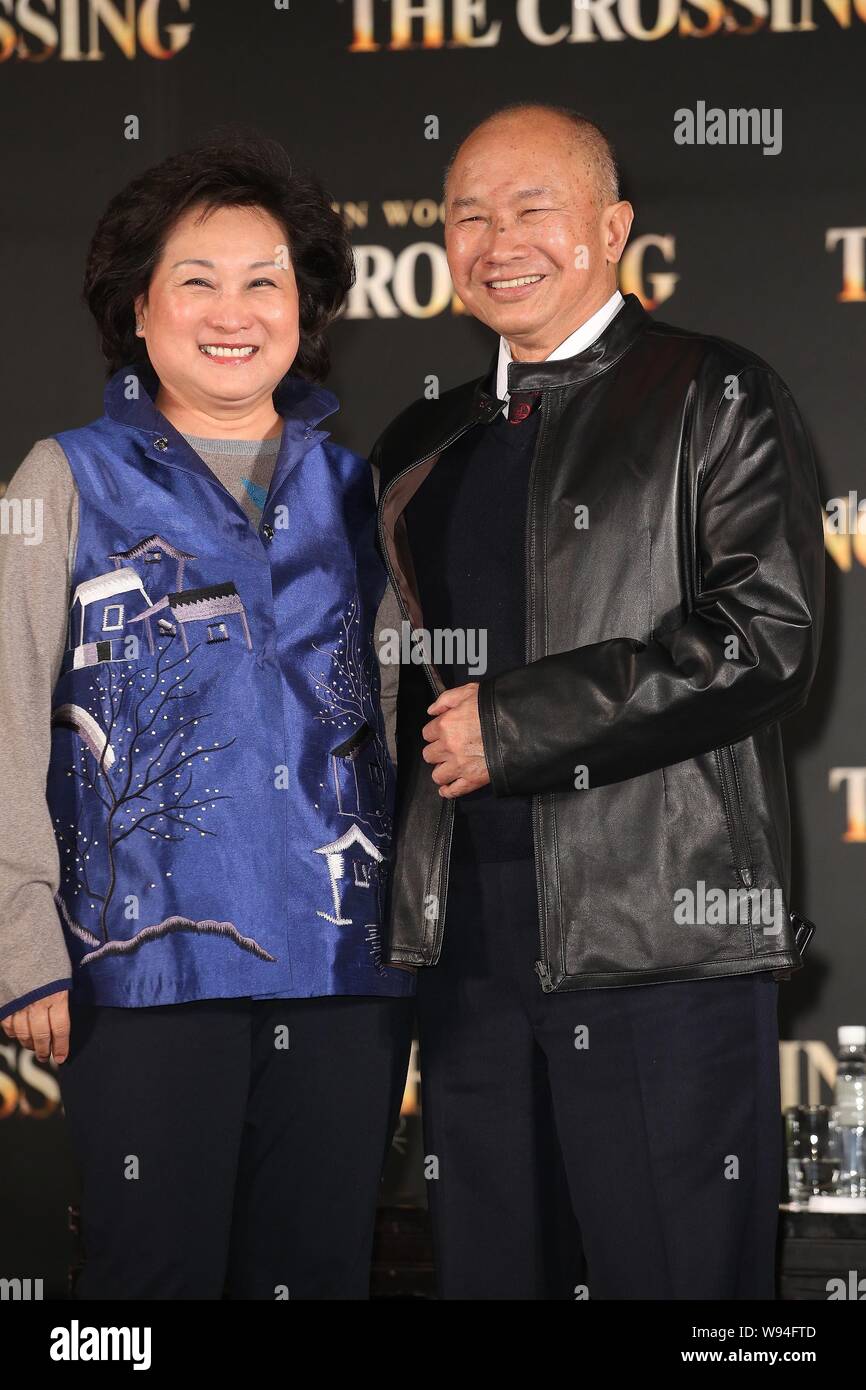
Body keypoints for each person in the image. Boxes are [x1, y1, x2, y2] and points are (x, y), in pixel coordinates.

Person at [372, 102, 825, 1299]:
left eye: (532, 207)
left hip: (654, 943)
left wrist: (514, 724)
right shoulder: (424, 441)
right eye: (467, 213)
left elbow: (761, 635)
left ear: (611, 227)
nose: (495, 238)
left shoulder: (711, 393)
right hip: (465, 958)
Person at [0, 130, 413, 1299]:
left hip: (342, 973)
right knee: (152, 1280)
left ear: (305, 309)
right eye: (197, 280)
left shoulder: (362, 490)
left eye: (264, 281)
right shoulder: (64, 477)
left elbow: (395, 721)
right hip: (143, 977)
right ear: (138, 309)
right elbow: (2, 710)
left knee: (318, 1270)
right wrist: (19, 940)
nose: (233, 312)